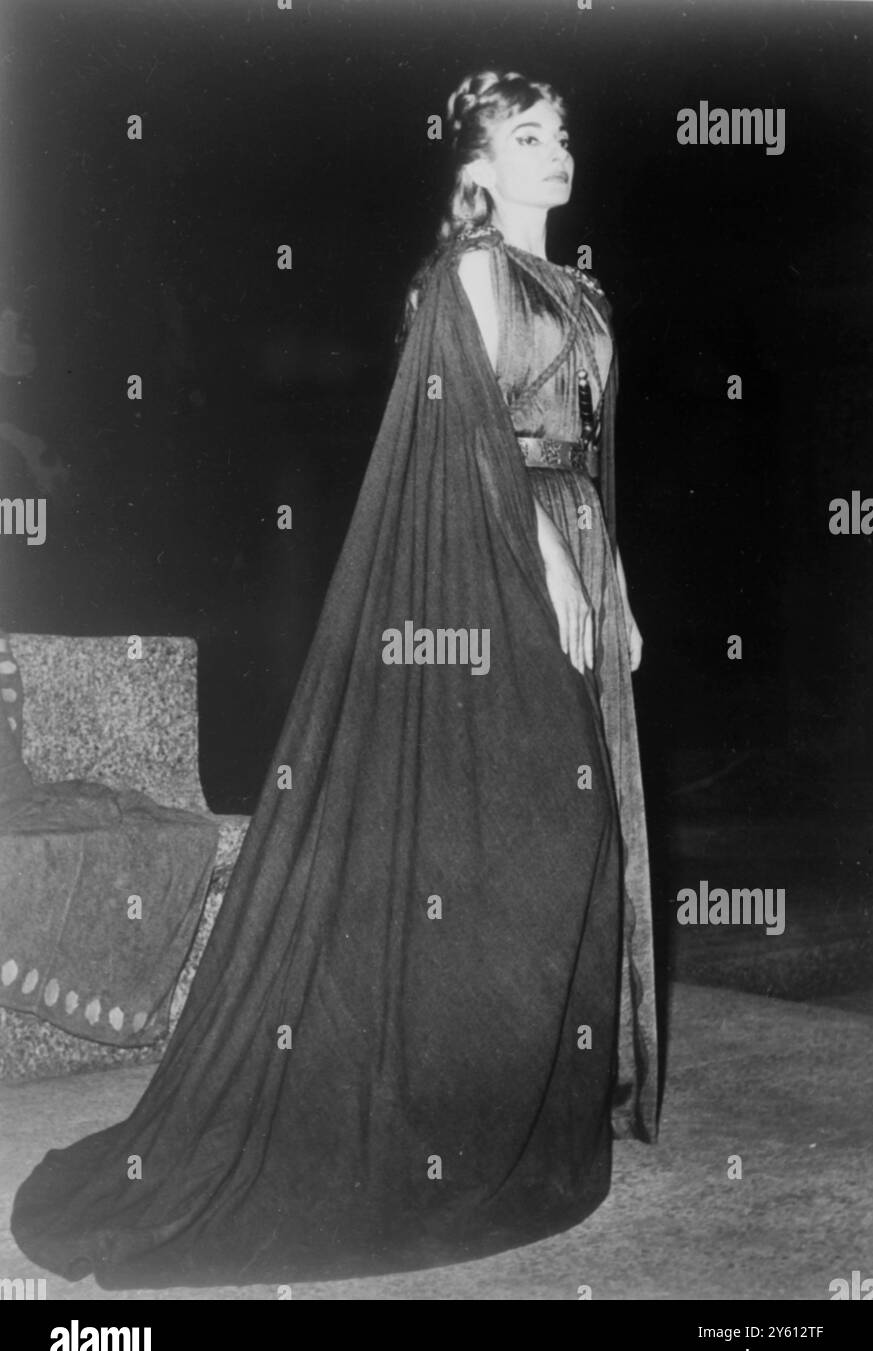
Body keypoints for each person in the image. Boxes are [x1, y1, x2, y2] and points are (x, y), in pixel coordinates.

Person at [11, 68, 657, 1289]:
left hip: (565, 545)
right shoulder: (470, 274)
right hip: (481, 565)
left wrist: (609, 572)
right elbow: (472, 446)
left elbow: (582, 450)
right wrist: (549, 572)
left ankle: (541, 1091)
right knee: (540, 834)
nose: (556, 151)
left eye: (563, 131)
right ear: (479, 165)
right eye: (528, 136)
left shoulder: (580, 287)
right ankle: (455, 1103)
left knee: (589, 831)